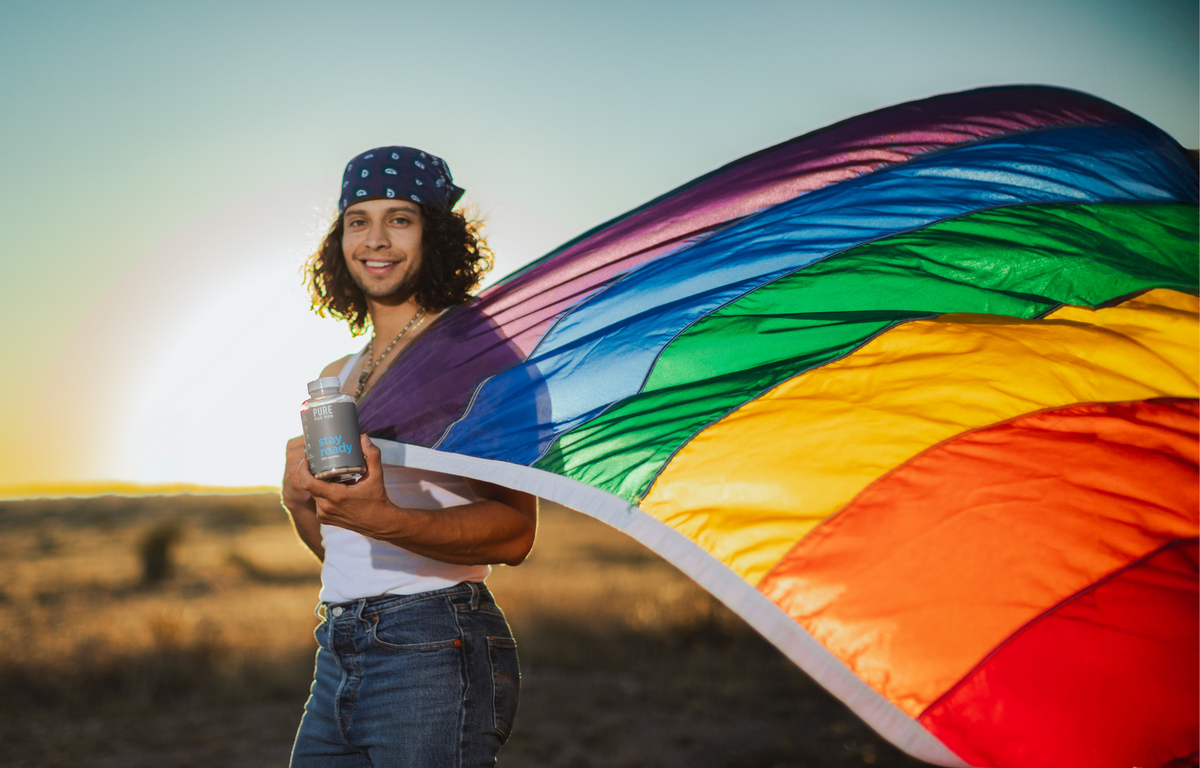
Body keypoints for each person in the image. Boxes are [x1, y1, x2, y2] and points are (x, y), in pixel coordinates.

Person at [280, 146, 537, 767]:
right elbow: (341, 546)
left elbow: (516, 533)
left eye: (400, 218)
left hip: (433, 642)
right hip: (338, 645)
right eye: (357, 220)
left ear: (435, 233)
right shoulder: (336, 376)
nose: (376, 239)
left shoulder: (472, 355)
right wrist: (296, 501)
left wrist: (383, 517)